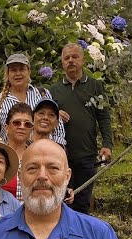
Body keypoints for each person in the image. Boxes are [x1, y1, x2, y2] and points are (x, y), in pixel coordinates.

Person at [49, 42, 114, 214]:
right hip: (60, 157)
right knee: (61, 203)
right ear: (62, 62)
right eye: (67, 58)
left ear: (83, 60)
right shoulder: (53, 91)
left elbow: (104, 117)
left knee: (82, 204)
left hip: (86, 156)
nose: (71, 61)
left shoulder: (95, 86)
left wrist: (107, 144)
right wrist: (55, 114)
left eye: (74, 57)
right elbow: (44, 119)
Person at [0, 53, 64, 146]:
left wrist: (57, 147)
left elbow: (57, 125)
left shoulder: (42, 94)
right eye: (13, 70)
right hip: (12, 155)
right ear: (8, 74)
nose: (18, 74)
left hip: (42, 152)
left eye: (21, 69)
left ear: (29, 71)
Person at [0, 103, 34, 199]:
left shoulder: (36, 157)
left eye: (27, 124)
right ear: (7, 128)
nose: (22, 127)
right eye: (17, 122)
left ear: (31, 129)